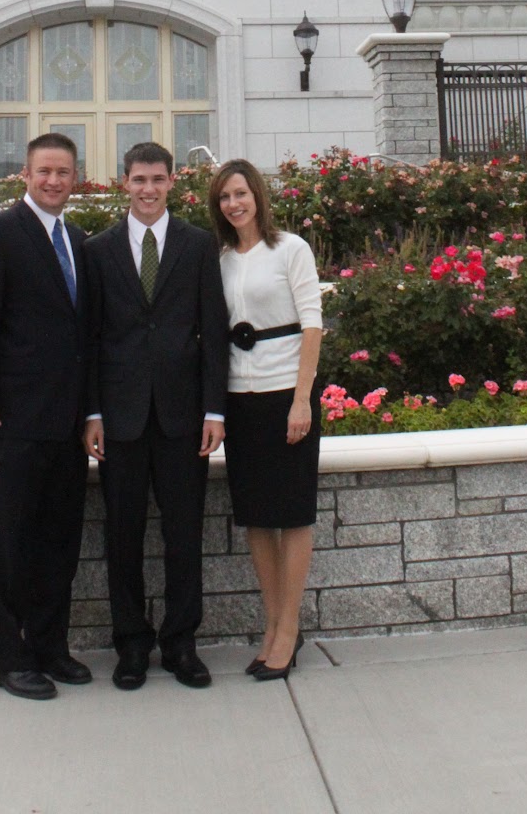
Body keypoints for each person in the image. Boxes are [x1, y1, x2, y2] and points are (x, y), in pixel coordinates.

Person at [84, 142, 229, 690]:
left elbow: (214, 331)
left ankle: (181, 643)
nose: (148, 189)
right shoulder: (98, 250)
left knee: (184, 533)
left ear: (173, 182)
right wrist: (92, 412)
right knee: (122, 535)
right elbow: (90, 338)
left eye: (158, 179)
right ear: (124, 181)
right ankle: (131, 644)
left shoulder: (199, 245)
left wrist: (215, 409)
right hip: (119, 418)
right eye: (139, 179)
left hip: (183, 417)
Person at [0, 132, 92, 701]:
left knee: (59, 542)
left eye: (63, 172)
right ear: (26, 176)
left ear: (75, 178)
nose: (53, 181)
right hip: (11, 420)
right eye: (44, 171)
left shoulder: (78, 240)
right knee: (10, 543)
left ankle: (50, 647)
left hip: (67, 422)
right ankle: (8, 658)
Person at [207, 158, 323, 681]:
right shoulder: (220, 259)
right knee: (256, 517)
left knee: (292, 515)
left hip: (284, 396)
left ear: (256, 195)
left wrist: (302, 399)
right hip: (240, 398)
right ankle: (272, 624)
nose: (234, 204)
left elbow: (312, 325)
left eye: (240, 193)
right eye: (224, 197)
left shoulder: (290, 249)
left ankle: (290, 628)